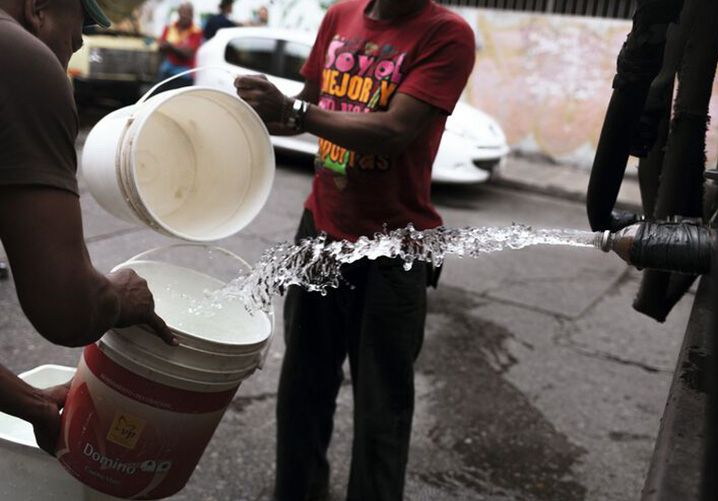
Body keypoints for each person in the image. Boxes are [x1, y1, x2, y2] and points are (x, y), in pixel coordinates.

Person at [235, 0, 475, 499]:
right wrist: (246, 115)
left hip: (394, 249)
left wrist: (294, 111)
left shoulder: (446, 35)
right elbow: (305, 109)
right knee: (302, 390)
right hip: (320, 232)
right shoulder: (339, 17)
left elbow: (393, 132)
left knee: (381, 410)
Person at [0, 0, 177, 456]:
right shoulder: (20, 59)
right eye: (75, 40)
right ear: (39, 7)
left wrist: (33, 404)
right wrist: (120, 296)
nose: (70, 54)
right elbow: (67, 308)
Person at [157, 2, 202, 88]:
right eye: (182, 13)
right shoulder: (170, 27)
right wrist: (179, 48)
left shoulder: (196, 31)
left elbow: (188, 54)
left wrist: (171, 46)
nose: (184, 16)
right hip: (168, 67)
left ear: (192, 15)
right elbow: (160, 46)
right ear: (178, 13)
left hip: (184, 72)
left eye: (187, 13)